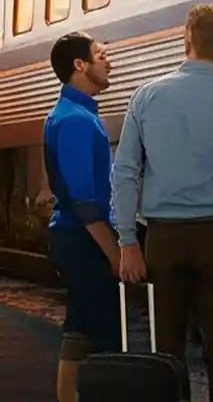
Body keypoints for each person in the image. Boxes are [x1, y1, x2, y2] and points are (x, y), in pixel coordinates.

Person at [110, 3, 213, 402]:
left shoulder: (148, 96)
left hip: (163, 239)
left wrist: (127, 240)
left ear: (187, 38)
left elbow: (125, 171)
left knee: (167, 349)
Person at [43, 32, 117, 402]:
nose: (109, 61)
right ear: (79, 65)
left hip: (78, 238)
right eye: (101, 55)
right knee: (105, 334)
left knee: (81, 326)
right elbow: (83, 200)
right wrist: (115, 252)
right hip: (82, 239)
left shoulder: (79, 114)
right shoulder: (74, 120)